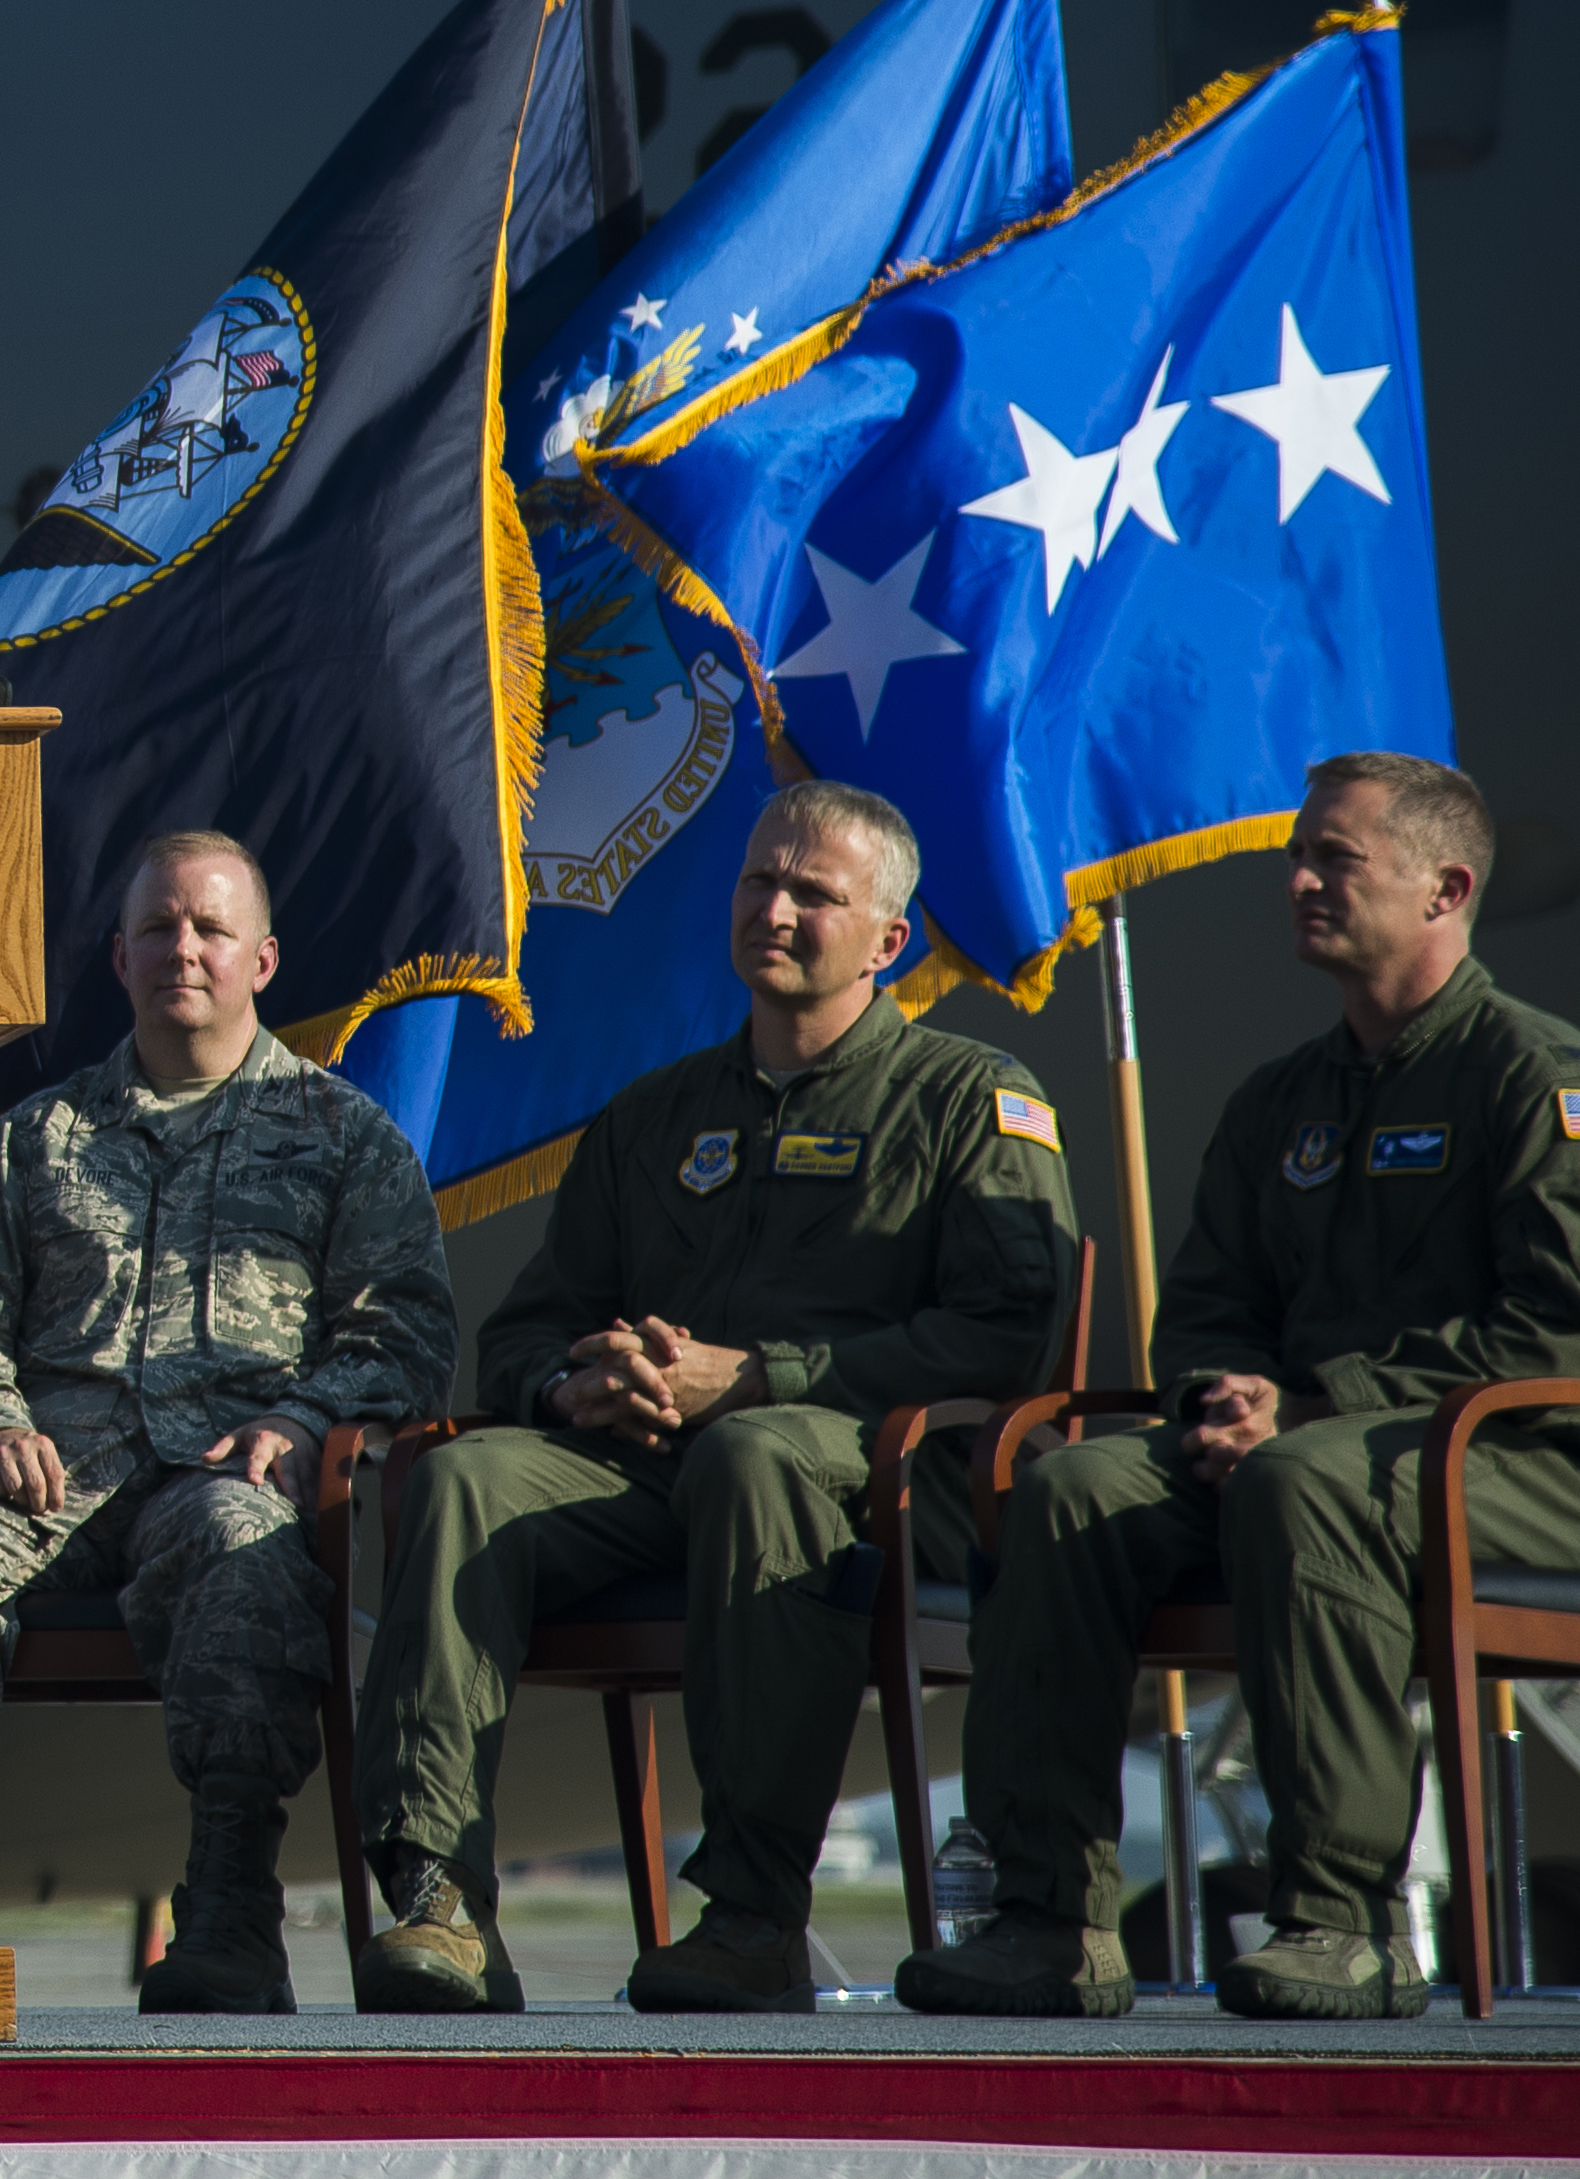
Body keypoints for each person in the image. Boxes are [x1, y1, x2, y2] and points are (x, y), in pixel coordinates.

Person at [351, 780, 1079, 2014]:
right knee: (464, 1472)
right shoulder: (653, 1114)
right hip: (646, 1470)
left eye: (812, 892)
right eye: (758, 881)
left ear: (887, 939)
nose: (775, 909)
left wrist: (753, 1378)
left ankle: (750, 1915)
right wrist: (581, 1379)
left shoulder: (967, 1096)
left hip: (881, 1479)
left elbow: (1007, 1328)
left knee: (755, 1453)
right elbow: (525, 1323)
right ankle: (439, 1901)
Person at [903, 752, 1580, 2022]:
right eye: (1298, 853)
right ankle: (1047, 1916)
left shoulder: (1530, 1078)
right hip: (1294, 1452)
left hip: (1516, 1464)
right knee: (1066, 1488)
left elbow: (1554, 1336)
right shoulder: (1276, 1101)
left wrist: (1312, 1403)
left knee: (1300, 1477)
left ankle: (1344, 1918)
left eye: (1335, 856)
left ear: (1443, 888)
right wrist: (1219, 1391)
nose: (1300, 878)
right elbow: (1208, 1306)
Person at [0, 831, 456, 2012]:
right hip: (48, 1471)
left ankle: (227, 1911)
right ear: (117, 956)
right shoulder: (37, 1135)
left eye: (210, 927)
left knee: (242, 1547)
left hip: (220, 1467)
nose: (183, 949)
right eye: (157, 926)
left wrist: (304, 1417)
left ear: (261, 958)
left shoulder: (341, 1135)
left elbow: (402, 1333)